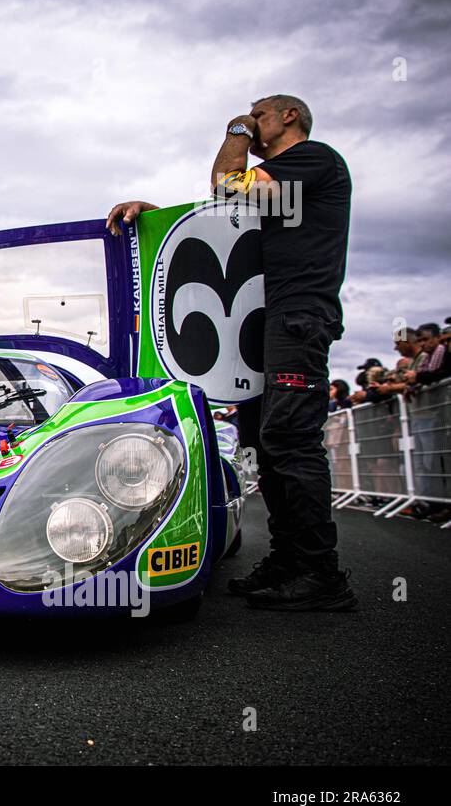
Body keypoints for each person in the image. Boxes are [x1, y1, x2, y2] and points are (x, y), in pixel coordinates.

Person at [108, 94, 356, 610]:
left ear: (289, 116)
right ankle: (290, 562)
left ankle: (320, 573)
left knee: (290, 439)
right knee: (265, 443)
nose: (251, 120)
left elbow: (227, 184)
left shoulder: (313, 159)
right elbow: (224, 216)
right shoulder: (282, 189)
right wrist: (156, 220)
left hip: (296, 315)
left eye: (260, 112)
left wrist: (236, 130)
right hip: (267, 323)